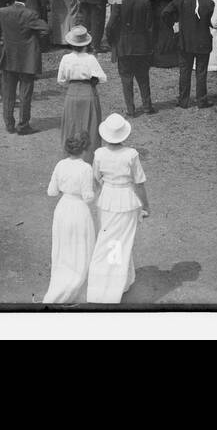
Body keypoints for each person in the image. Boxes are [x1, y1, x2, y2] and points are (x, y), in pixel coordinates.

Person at [87, 114, 150, 304]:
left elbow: (95, 179)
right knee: (119, 243)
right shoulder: (131, 154)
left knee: (111, 242)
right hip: (126, 200)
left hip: (107, 200)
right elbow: (139, 183)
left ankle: (122, 281)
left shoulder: (99, 154)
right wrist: (146, 205)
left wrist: (101, 193)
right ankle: (112, 287)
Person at [0, 0, 50, 135]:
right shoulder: (30, 14)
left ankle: (9, 124)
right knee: (25, 93)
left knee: (8, 92)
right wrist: (35, 43)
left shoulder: (3, 12)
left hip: (8, 56)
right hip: (27, 59)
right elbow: (45, 30)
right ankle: (23, 125)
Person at [43, 132, 98, 304]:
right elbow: (88, 197)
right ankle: (79, 282)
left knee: (63, 245)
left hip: (63, 208)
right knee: (81, 246)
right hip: (79, 210)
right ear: (84, 149)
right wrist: (96, 190)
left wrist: (65, 188)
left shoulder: (60, 164)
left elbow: (51, 192)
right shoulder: (86, 168)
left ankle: (61, 279)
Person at [107, 0, 155, 116]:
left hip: (124, 44)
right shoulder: (145, 1)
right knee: (143, 77)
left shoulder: (118, 2)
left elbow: (110, 26)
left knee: (126, 78)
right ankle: (147, 106)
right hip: (141, 45)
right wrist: (150, 44)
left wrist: (113, 41)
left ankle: (131, 109)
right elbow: (150, 26)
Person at [165, 0, 214, 108]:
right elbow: (213, 23)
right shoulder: (209, 3)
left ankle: (183, 100)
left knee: (185, 71)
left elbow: (166, 13)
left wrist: (173, 24)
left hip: (185, 40)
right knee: (201, 71)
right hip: (203, 41)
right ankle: (202, 100)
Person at [57, 25, 105, 154]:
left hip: (72, 92)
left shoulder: (66, 59)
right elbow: (102, 78)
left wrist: (72, 83)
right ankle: (89, 157)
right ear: (86, 44)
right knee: (90, 125)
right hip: (88, 92)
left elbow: (61, 80)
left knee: (71, 124)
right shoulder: (90, 59)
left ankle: (70, 156)